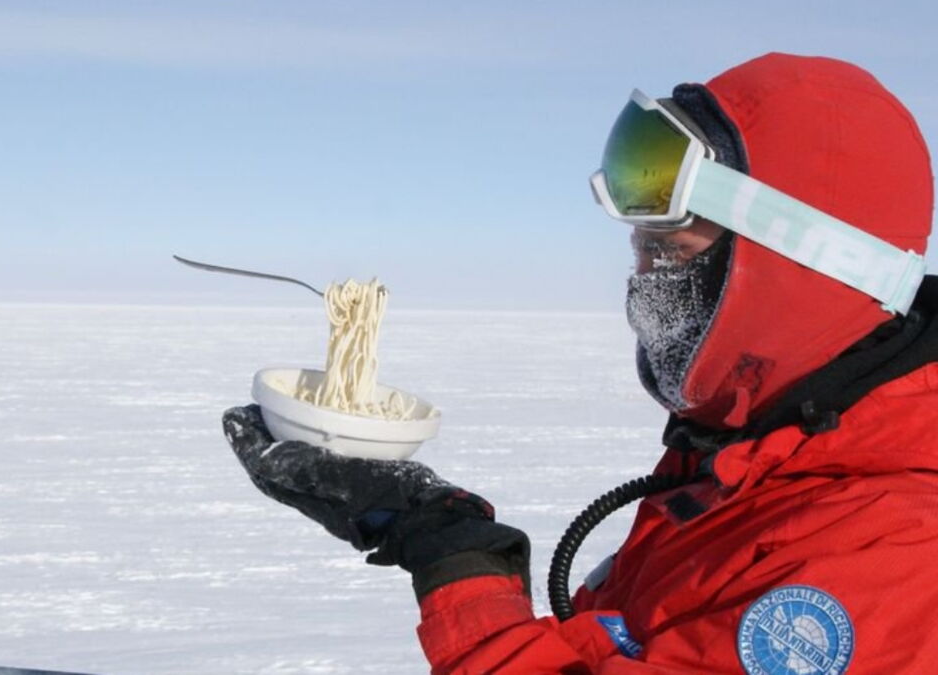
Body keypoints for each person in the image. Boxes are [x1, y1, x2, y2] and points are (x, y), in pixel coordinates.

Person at [222, 52, 938, 673]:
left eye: (669, 251)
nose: (642, 282)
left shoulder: (893, 554)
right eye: (639, 247)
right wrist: (436, 522)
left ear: (799, 269)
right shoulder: (756, 457)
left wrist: (460, 567)